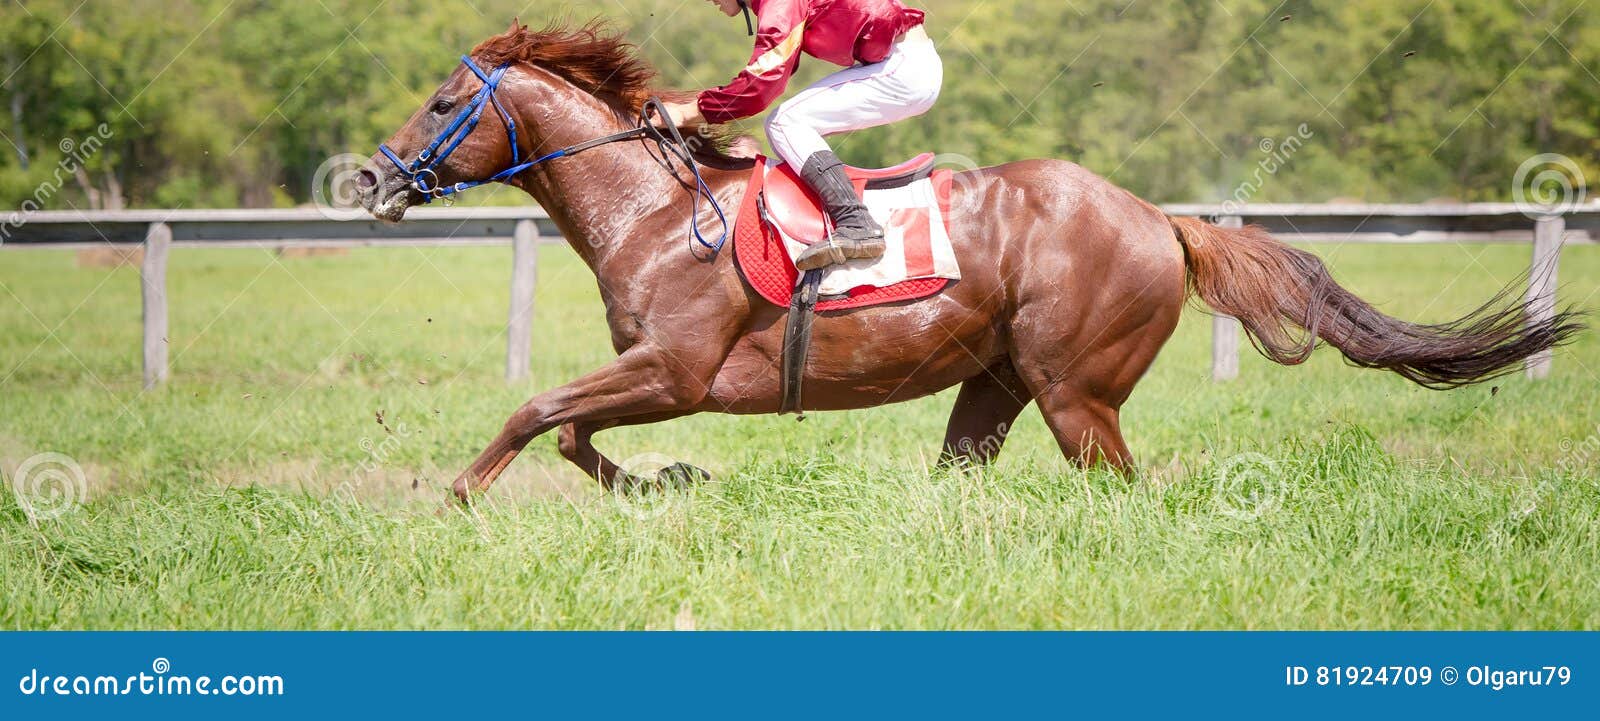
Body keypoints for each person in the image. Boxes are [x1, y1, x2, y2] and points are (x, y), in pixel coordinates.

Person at [663, 0, 941, 270]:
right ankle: (840, 219)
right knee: (787, 123)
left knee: (784, 123)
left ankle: (857, 223)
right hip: (901, 65)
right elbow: (774, 72)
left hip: (902, 69)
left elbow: (763, 82)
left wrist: (688, 112)